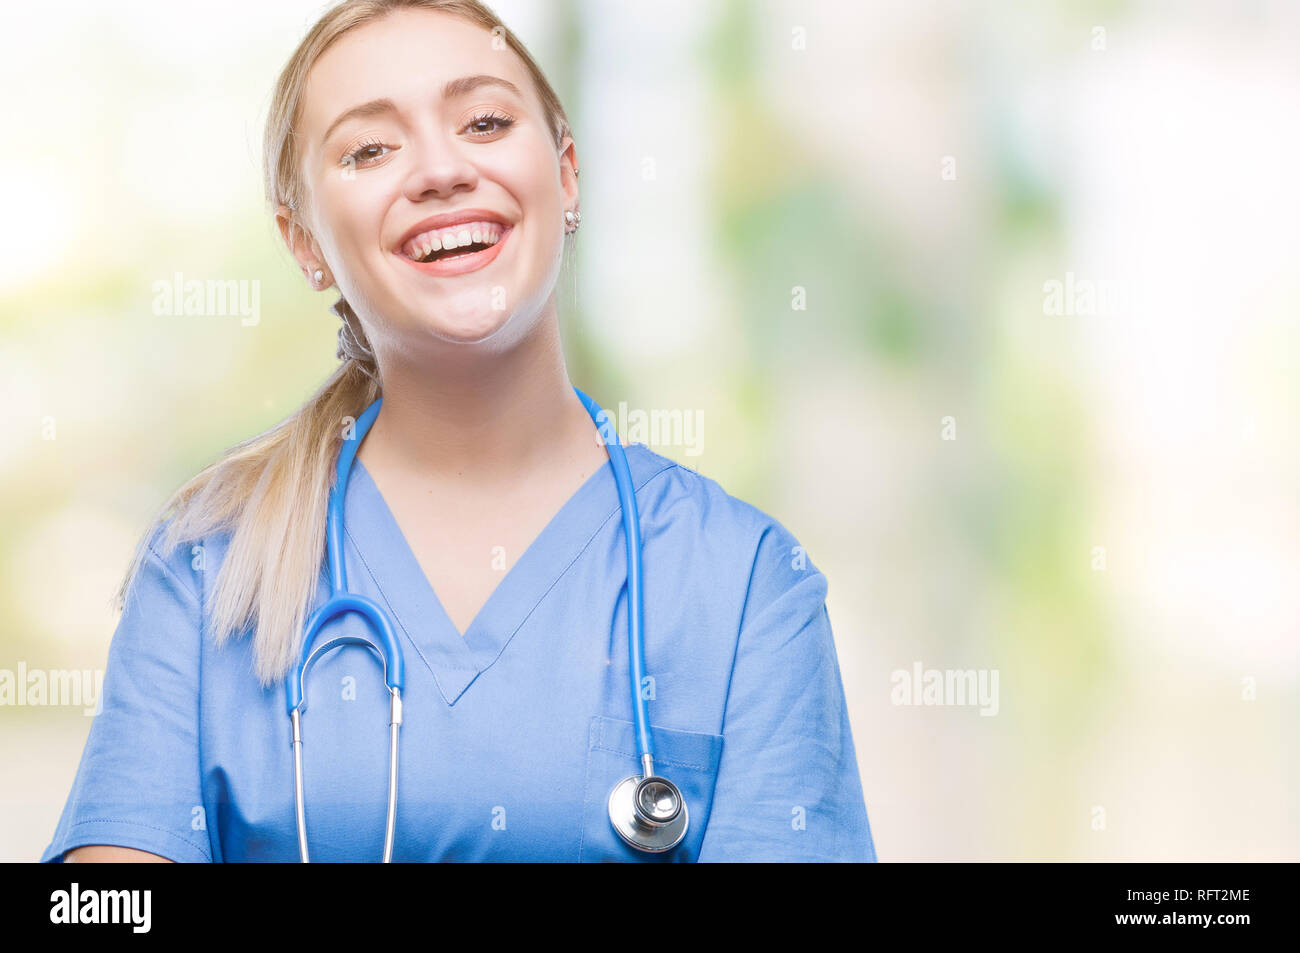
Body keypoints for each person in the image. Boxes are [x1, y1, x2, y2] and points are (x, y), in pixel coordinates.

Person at [43, 0, 877, 862]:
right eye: (369, 148)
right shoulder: (207, 571)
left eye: (483, 121)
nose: (440, 169)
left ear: (568, 175)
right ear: (305, 244)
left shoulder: (745, 587)